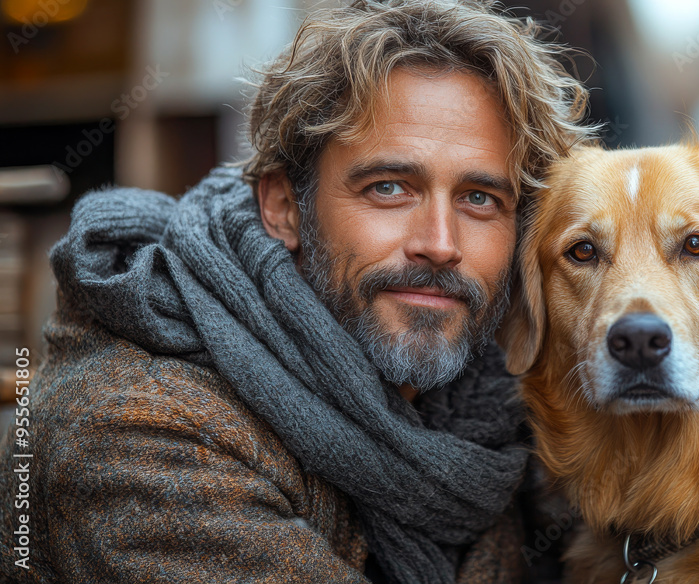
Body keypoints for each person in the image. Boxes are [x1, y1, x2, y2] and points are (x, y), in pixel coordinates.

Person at [0, 1, 594, 582]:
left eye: (479, 199)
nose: (440, 243)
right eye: (389, 188)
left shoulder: (505, 397)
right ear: (284, 207)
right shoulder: (136, 430)